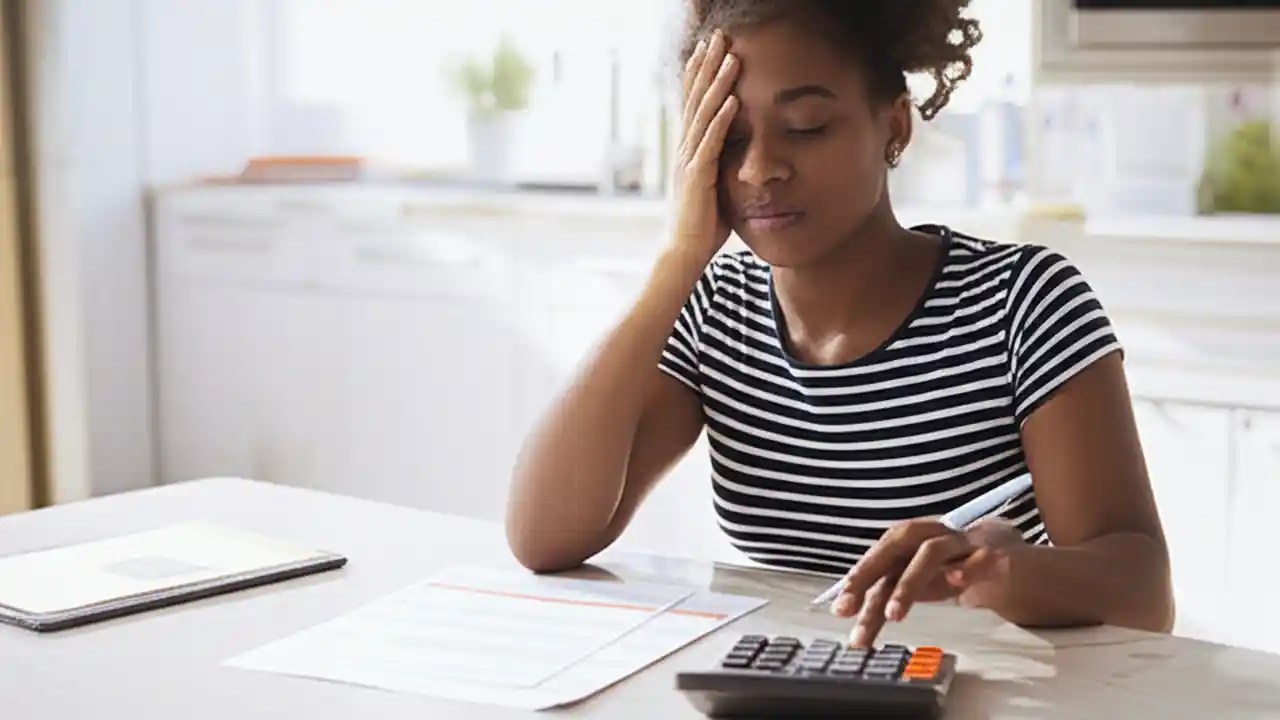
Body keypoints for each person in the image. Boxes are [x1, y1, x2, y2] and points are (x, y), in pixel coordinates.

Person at [505, 0, 1174, 648]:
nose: (758, 168)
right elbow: (544, 537)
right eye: (728, 138)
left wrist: (1003, 571)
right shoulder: (718, 313)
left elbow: (1145, 590)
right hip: (784, 688)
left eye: (806, 126)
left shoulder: (1022, 303)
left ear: (895, 128)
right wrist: (677, 261)